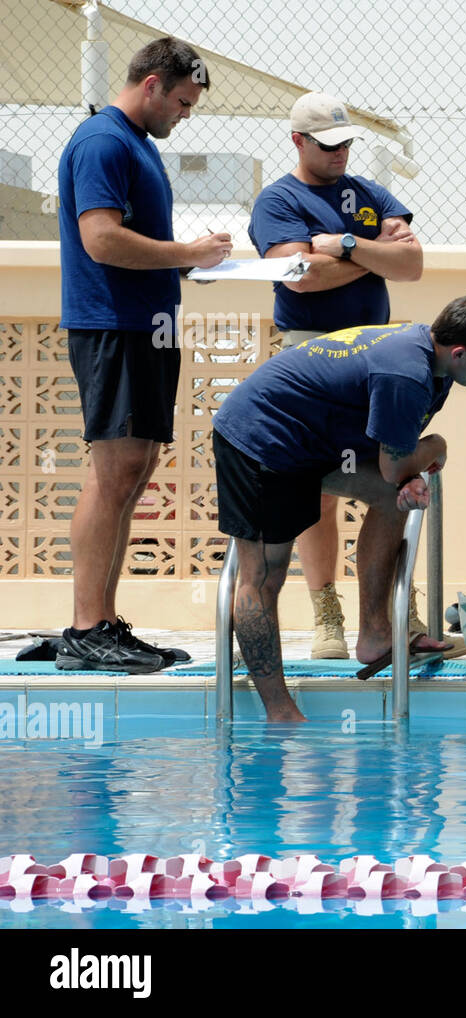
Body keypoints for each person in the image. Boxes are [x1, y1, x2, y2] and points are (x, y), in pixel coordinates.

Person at [212, 296, 466, 721]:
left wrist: (409, 476)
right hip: (261, 440)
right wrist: (436, 448)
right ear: (461, 353)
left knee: (392, 501)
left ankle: (375, 634)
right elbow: (396, 464)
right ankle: (279, 710)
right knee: (263, 575)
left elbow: (394, 459)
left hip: (313, 445)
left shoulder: (436, 365)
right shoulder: (405, 372)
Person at [56, 37, 233, 673]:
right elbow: (101, 240)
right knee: (115, 475)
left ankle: (101, 621)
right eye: (183, 102)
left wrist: (195, 262)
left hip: (146, 324)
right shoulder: (104, 141)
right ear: (153, 84)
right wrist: (186, 253)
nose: (185, 114)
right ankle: (85, 627)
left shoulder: (137, 147)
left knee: (130, 476)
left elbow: (139, 245)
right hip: (115, 327)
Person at [248, 91, 425, 659]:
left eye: (346, 142)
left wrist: (345, 245)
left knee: (394, 478)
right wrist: (372, 254)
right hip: (311, 358)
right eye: (327, 145)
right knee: (316, 491)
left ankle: (401, 613)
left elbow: (413, 264)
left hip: (375, 355)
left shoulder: (369, 194)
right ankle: (327, 615)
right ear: (297, 141)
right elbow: (299, 278)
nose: (340, 153)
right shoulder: (277, 200)